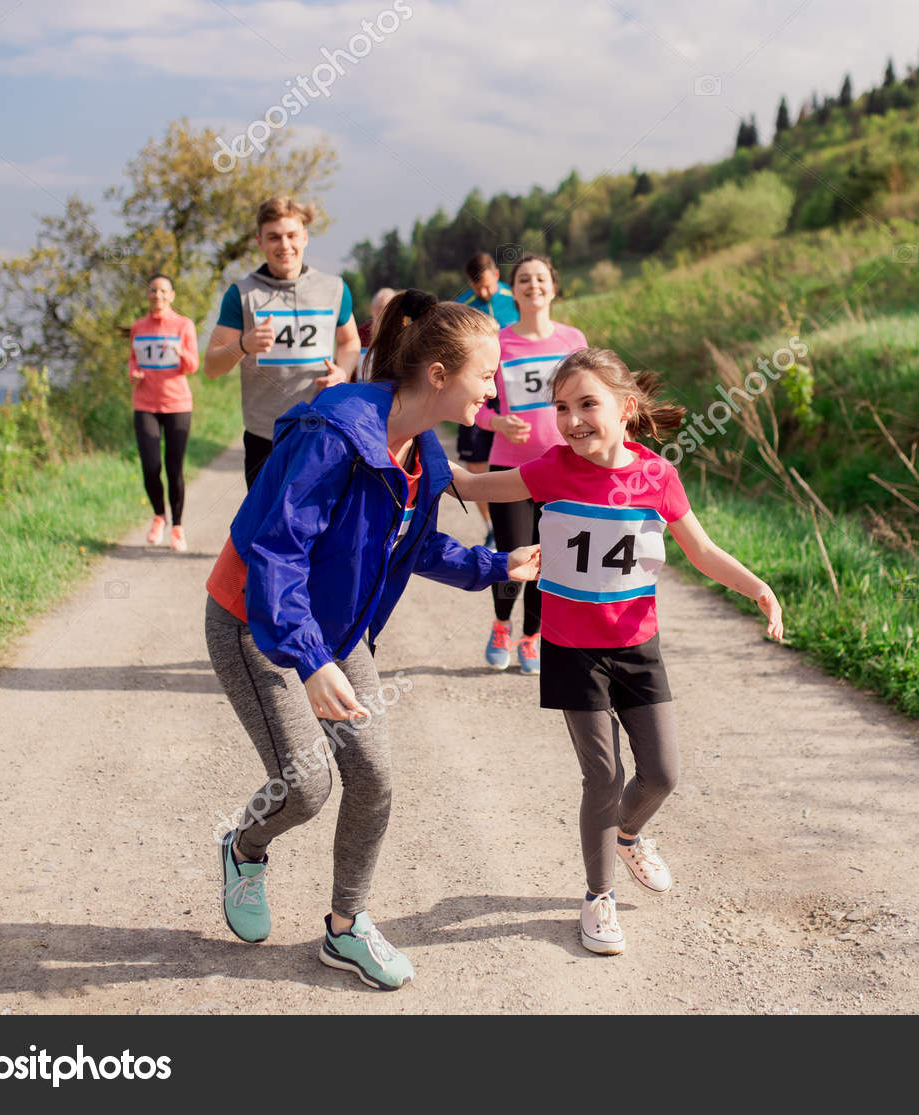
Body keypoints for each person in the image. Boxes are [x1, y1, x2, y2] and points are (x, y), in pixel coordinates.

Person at [204, 290, 541, 990]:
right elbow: (276, 552)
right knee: (308, 786)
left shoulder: (423, 451)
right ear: (441, 374)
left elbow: (412, 543)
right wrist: (311, 657)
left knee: (375, 779)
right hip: (255, 621)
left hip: (330, 626)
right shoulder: (335, 432)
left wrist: (493, 567)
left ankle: (344, 926)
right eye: (487, 373)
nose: (494, 387)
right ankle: (244, 846)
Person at [451, 347, 783, 956]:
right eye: (561, 407)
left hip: (636, 647)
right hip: (572, 649)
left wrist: (758, 587)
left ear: (626, 409)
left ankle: (629, 835)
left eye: (586, 404)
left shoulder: (657, 475)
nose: (572, 419)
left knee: (662, 773)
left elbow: (703, 553)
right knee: (602, 775)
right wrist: (410, 439)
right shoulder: (550, 469)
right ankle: (597, 897)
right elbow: (470, 483)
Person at [470, 253, 586, 675]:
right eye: (523, 279)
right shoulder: (499, 342)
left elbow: (590, 400)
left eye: (540, 278)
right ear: (512, 290)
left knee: (549, 559)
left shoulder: (573, 340)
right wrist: (496, 421)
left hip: (564, 469)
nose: (533, 285)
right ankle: (502, 624)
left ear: (553, 287)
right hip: (511, 471)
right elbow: (476, 403)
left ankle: (532, 638)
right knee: (512, 555)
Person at [202, 196, 361, 488]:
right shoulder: (242, 294)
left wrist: (343, 372)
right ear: (260, 241)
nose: (284, 245)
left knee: (322, 527)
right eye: (274, 237)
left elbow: (350, 342)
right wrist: (244, 344)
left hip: (324, 429)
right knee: (265, 530)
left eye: (291, 235)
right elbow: (212, 366)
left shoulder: (334, 289)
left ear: (305, 237)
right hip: (266, 436)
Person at [128, 274, 199, 551]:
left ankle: (178, 527)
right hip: (145, 404)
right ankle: (159, 516)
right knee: (150, 467)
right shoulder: (138, 327)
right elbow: (133, 360)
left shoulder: (183, 325)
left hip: (177, 404)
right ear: (148, 295)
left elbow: (192, 365)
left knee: (173, 467)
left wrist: (179, 352)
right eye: (153, 291)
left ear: (171, 295)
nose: (157, 295)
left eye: (163, 291)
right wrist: (133, 373)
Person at [454, 254, 517, 547]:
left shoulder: (514, 296)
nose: (483, 293)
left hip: (513, 390)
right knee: (476, 461)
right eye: (477, 287)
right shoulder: (464, 306)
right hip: (479, 391)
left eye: (488, 286)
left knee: (514, 457)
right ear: (470, 282)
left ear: (495, 274)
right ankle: (491, 525)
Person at [357, 287, 397, 377]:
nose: (383, 313)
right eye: (380, 307)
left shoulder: (401, 336)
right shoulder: (359, 334)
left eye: (389, 308)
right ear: (372, 309)